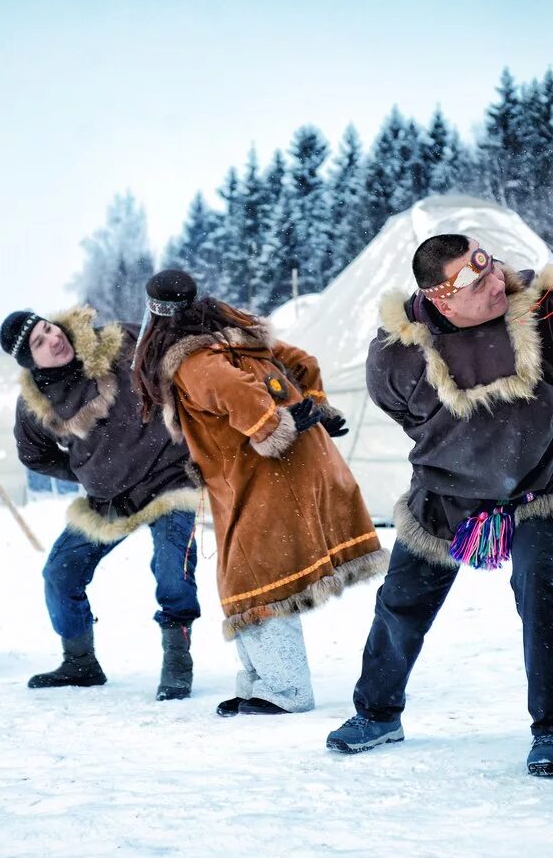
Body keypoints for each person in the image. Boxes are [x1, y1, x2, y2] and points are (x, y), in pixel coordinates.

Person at [325, 236, 553, 776]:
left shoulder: (550, 309)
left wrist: (529, 433)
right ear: (441, 299)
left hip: (540, 482)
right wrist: (465, 446)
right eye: (476, 284)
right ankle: (378, 712)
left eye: (492, 267)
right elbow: (403, 413)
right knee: (401, 599)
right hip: (445, 490)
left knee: (537, 586)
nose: (496, 281)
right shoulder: (397, 351)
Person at [133, 269, 387, 716]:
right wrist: (309, 407)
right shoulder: (236, 334)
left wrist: (272, 426)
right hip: (281, 468)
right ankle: (260, 682)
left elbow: (232, 389)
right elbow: (302, 360)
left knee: (258, 581)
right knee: (246, 578)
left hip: (260, 473)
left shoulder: (192, 360)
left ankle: (285, 690)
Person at [0, 304, 201, 699]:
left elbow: (174, 354)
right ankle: (80, 662)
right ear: (30, 362)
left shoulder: (119, 341)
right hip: (109, 499)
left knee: (171, 572)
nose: (53, 339)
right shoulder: (36, 403)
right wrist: (86, 472)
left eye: (48, 328)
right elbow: (33, 455)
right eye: (39, 342)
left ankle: (177, 658)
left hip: (168, 478)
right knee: (60, 574)